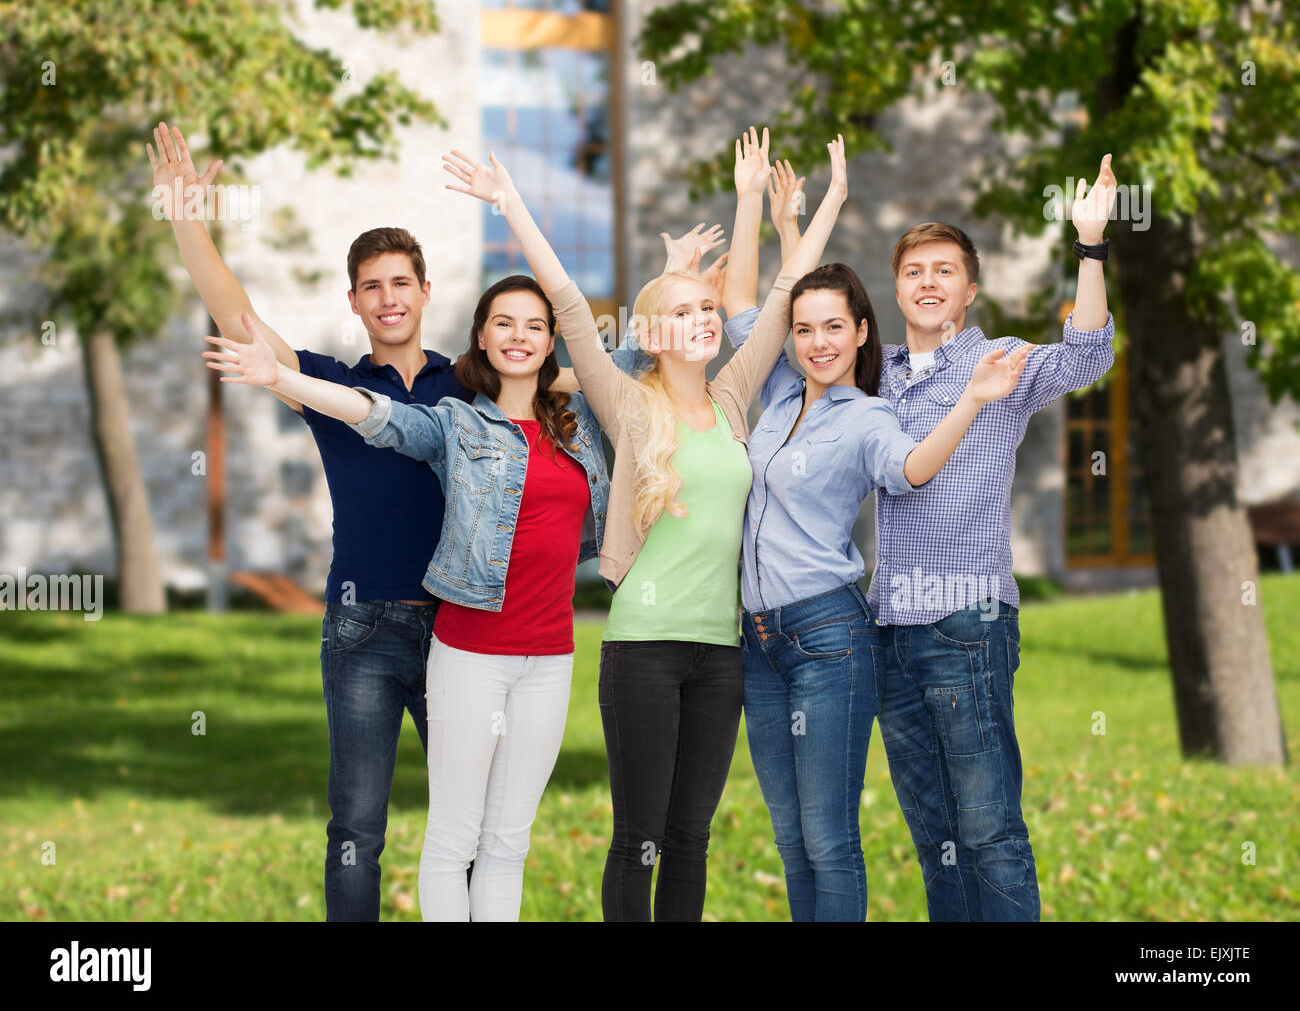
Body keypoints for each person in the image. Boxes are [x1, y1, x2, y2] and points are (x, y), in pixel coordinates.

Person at [152, 119, 724, 920]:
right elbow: (243, 322)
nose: (388, 297)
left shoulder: (472, 394)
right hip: (368, 624)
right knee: (360, 822)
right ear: (354, 301)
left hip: (469, 623)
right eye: (372, 285)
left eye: (401, 282)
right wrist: (187, 218)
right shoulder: (332, 386)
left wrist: (667, 285)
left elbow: (600, 364)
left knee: (491, 828)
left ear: (426, 294)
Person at [441, 128, 849, 921]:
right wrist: (509, 201)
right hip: (642, 649)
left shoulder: (733, 397)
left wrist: (801, 201)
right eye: (685, 310)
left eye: (707, 307)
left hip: (721, 652)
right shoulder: (627, 405)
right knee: (641, 838)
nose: (703, 318)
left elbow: (782, 294)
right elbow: (564, 302)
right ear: (655, 331)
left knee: (691, 836)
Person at [772, 152, 1118, 921]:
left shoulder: (1003, 363)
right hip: (889, 629)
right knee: (936, 836)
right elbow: (802, 328)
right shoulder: (876, 374)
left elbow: (1091, 352)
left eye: (944, 270)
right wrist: (792, 224)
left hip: (968, 625)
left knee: (988, 828)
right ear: (896, 291)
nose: (928, 282)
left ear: (968, 288)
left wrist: (1089, 247)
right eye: (914, 271)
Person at [203, 273, 610, 921]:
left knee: (504, 843)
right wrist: (277, 377)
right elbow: (375, 415)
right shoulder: (455, 420)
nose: (519, 335)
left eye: (535, 324)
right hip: (465, 648)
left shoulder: (577, 424)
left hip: (550, 659)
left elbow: (625, 369)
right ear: (479, 335)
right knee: (442, 836)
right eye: (504, 322)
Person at [719, 156, 1032, 921]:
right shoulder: (777, 393)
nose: (817, 341)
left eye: (836, 328)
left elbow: (914, 469)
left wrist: (968, 400)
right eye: (803, 329)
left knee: (832, 838)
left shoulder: (868, 413)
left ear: (864, 333)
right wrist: (757, 204)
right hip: (756, 638)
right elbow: (742, 306)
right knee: (792, 838)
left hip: (829, 630)